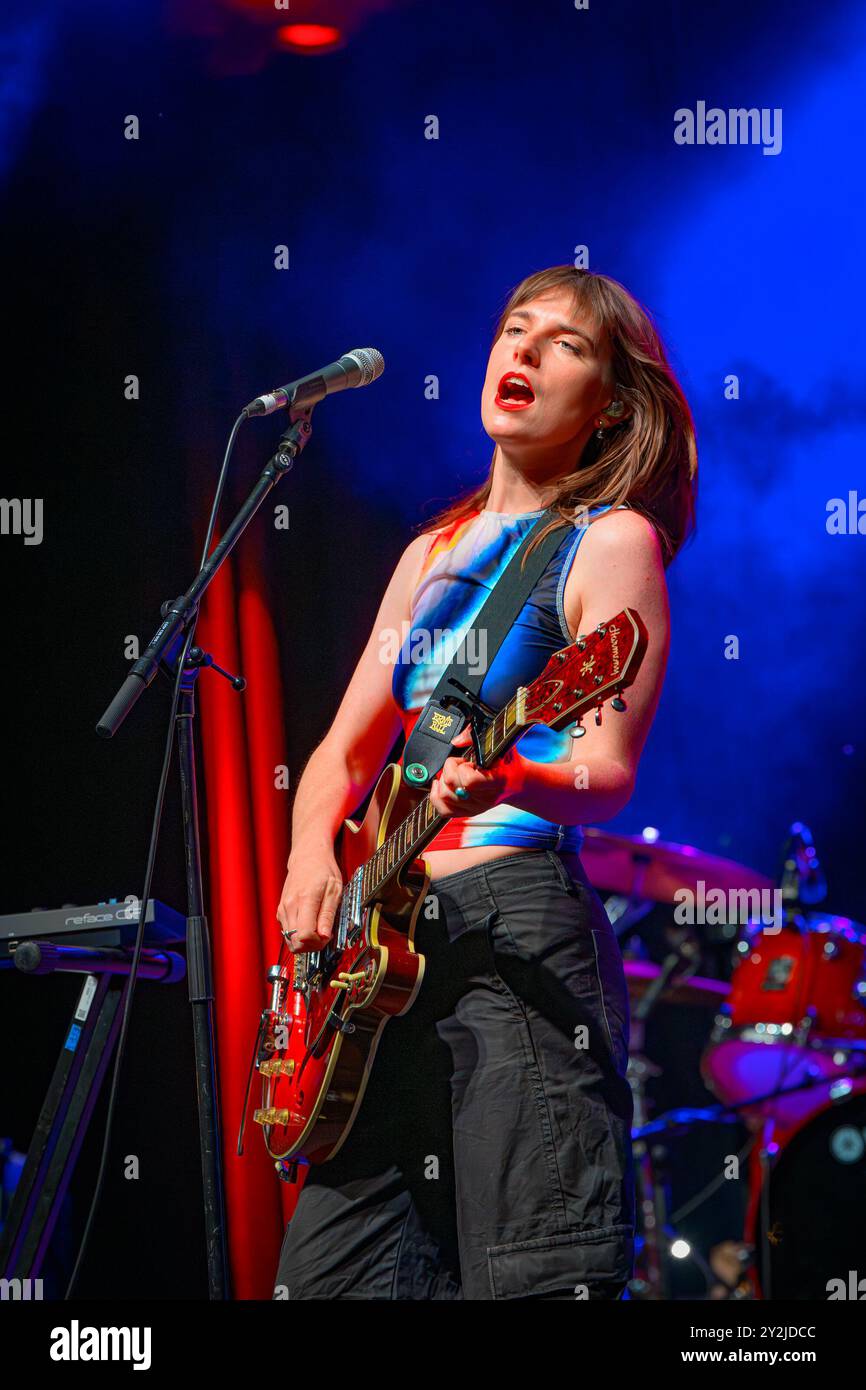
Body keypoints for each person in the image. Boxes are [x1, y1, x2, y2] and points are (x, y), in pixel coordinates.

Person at [273, 264, 697, 1300]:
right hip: (382, 968)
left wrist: (507, 772)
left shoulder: (608, 541)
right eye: (515, 327)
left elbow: (602, 772)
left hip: (513, 933)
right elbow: (341, 750)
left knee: (534, 1274)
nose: (523, 349)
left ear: (606, 407)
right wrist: (306, 860)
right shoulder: (428, 554)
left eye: (563, 344)